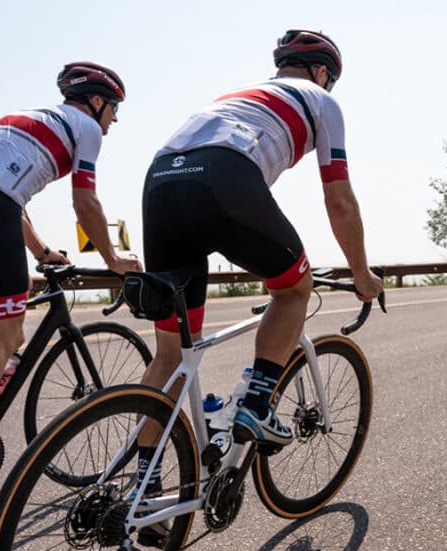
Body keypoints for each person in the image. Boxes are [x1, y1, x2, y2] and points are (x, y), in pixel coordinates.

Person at [138, 29, 383, 456]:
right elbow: (339, 201)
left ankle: (143, 487)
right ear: (322, 72)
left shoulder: (238, 96)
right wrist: (361, 273)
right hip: (223, 177)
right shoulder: (321, 100)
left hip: (160, 180)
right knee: (292, 289)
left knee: (172, 353)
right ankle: (255, 405)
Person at [0, 62, 142, 506]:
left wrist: (41, 254)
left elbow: (3, 192)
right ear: (96, 102)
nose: (114, 121)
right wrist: (114, 260)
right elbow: (85, 201)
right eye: (114, 110)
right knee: (8, 335)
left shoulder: (28, 116)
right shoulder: (85, 128)